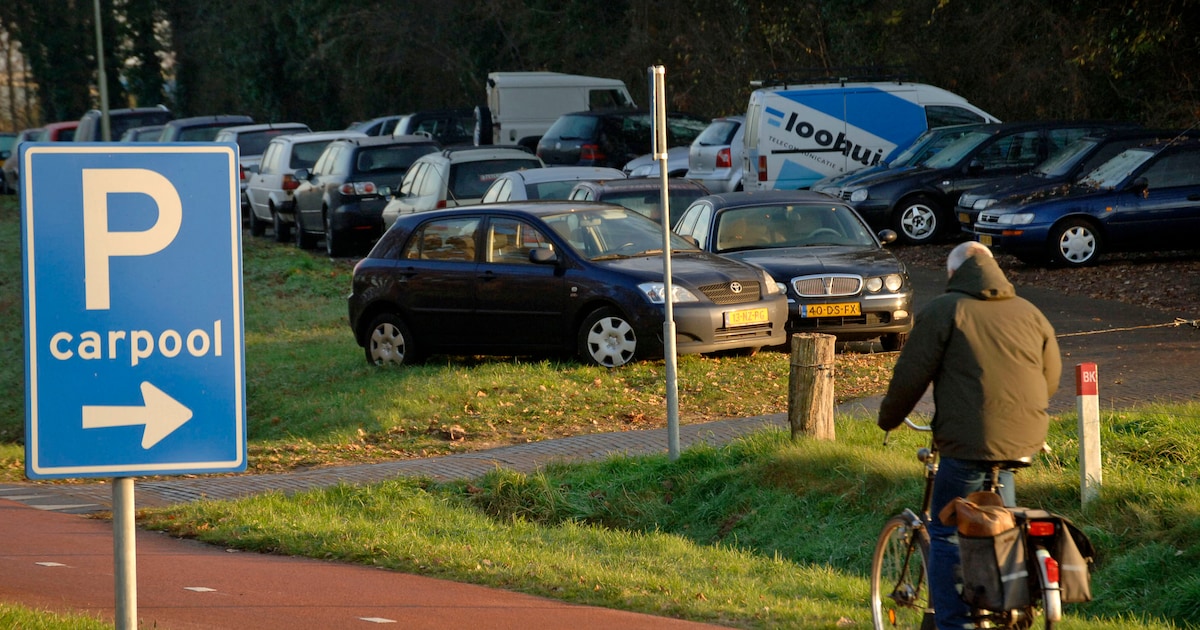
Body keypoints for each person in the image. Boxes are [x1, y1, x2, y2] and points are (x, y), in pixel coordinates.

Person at [877, 241, 1062, 630]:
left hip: (967, 442)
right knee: (1002, 525)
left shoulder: (946, 310)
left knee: (945, 531)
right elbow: (1050, 377)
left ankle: (954, 623)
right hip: (1022, 439)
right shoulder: (1030, 312)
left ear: (953, 273)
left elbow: (911, 376)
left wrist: (889, 419)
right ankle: (1006, 610)